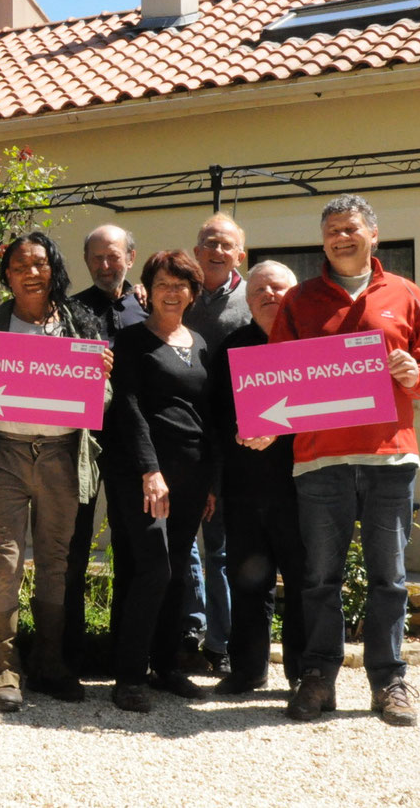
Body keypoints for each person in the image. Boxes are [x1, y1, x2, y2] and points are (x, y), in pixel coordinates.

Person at [274, 194, 420, 727]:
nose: (340, 238)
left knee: (388, 578)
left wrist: (413, 376)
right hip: (319, 461)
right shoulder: (299, 300)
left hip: (389, 459)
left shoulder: (406, 294)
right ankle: (319, 677)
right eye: (331, 231)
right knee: (318, 577)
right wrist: (262, 426)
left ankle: (389, 680)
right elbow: (275, 374)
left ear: (374, 234)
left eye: (350, 228)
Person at [0, 232, 110, 712]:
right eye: (20, 264)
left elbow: (100, 402)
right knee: (3, 559)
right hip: (3, 452)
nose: (31, 271)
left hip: (63, 455)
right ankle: (2, 665)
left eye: (40, 262)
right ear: (7, 274)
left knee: (54, 561)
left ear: (54, 268)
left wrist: (102, 377)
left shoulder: (79, 324)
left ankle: (49, 662)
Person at [107, 249, 213, 712]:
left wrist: (211, 483)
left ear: (193, 292)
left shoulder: (202, 344)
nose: (173, 293)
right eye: (164, 284)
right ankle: (129, 677)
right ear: (148, 291)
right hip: (142, 474)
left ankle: (167, 667)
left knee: (174, 578)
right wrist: (151, 471)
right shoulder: (130, 341)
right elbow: (128, 409)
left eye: (182, 284)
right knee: (153, 568)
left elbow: (207, 416)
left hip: (193, 477)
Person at [206, 261, 306, 695]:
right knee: (248, 582)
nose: (270, 295)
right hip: (245, 489)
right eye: (260, 289)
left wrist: (280, 428)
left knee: (304, 580)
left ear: (294, 294)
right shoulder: (232, 349)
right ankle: (249, 669)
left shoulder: (315, 344)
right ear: (248, 301)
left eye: (279, 288)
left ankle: (303, 672)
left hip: (303, 487)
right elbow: (213, 419)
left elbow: (327, 410)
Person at [66, 224, 149, 674]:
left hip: (135, 446)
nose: (104, 265)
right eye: (95, 257)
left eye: (112, 256)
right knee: (75, 548)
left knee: (133, 551)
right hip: (84, 444)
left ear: (130, 258)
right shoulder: (72, 311)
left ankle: (126, 653)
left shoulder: (151, 306)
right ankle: (71, 653)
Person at [179, 212, 252, 675]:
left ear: (239, 254)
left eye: (226, 244)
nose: (217, 250)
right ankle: (189, 632)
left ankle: (220, 645)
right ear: (196, 248)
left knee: (221, 549)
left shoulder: (255, 300)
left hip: (236, 445)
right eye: (209, 242)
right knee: (183, 543)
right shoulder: (176, 295)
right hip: (184, 439)